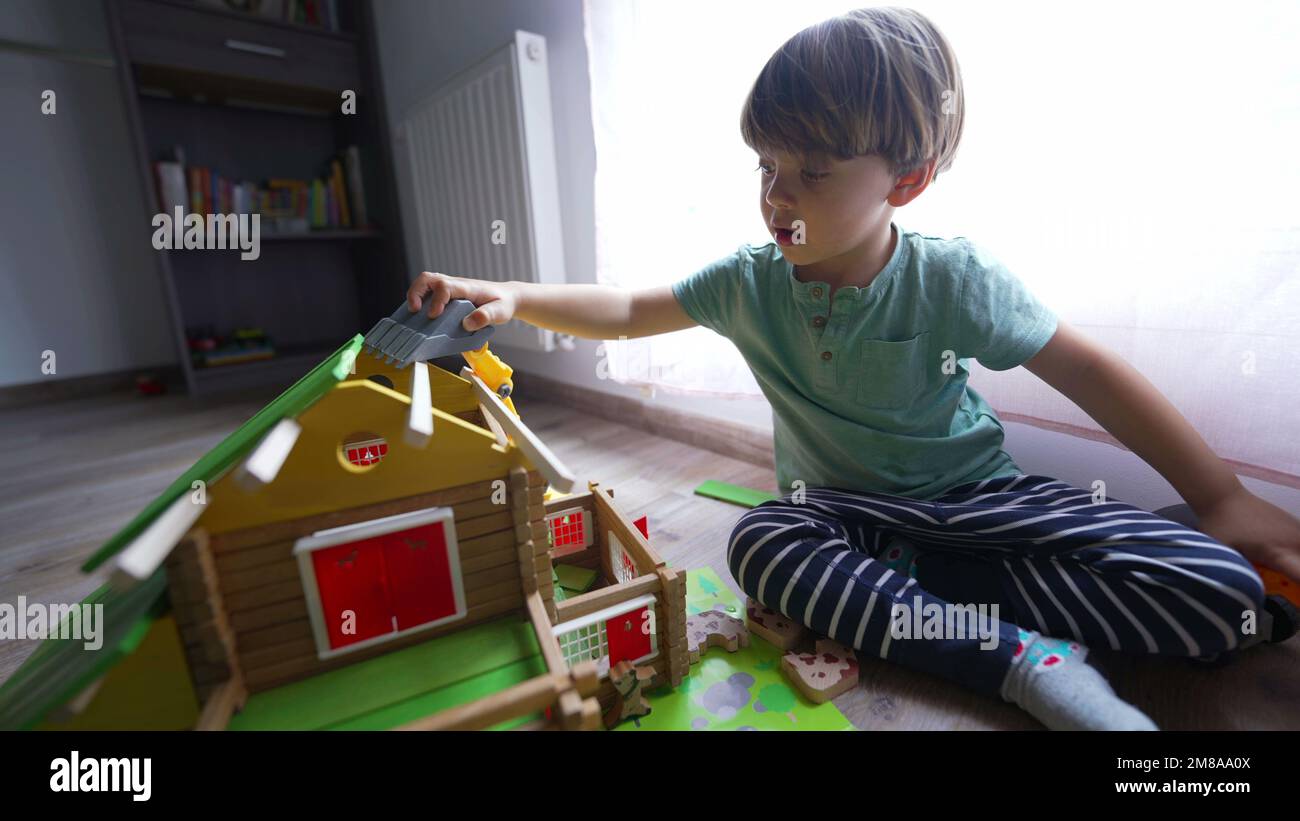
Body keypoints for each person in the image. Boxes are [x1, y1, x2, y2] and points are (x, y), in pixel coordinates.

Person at [404, 7, 1300, 730]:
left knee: (1225, 596)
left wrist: (1217, 495)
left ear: (905, 181)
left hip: (983, 502)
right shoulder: (747, 283)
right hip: (841, 520)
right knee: (760, 542)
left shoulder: (954, 277)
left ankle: (945, 594)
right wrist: (515, 293)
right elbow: (633, 310)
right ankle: (1024, 664)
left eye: (814, 172)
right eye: (767, 165)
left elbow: (1089, 369)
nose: (776, 195)